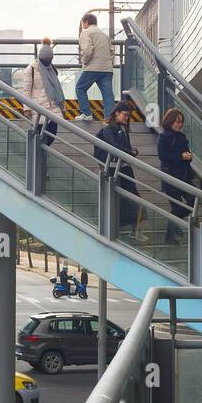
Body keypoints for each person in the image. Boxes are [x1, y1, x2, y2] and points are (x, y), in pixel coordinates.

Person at [96, 101, 141, 239]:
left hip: (123, 167)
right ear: (116, 112)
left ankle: (133, 229)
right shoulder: (109, 128)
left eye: (128, 115)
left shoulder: (123, 129)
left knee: (133, 197)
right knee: (119, 198)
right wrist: (130, 152)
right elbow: (113, 146)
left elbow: (122, 147)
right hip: (113, 168)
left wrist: (131, 151)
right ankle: (118, 228)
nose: (127, 117)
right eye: (125, 114)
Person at [157, 108, 195, 244]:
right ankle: (170, 236)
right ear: (170, 121)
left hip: (185, 176)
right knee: (177, 207)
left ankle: (174, 224)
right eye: (177, 122)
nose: (179, 124)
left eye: (181, 122)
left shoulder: (181, 137)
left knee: (193, 201)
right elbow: (162, 156)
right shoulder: (163, 136)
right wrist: (181, 156)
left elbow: (187, 154)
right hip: (170, 178)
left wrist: (188, 156)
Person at [19, 39, 66, 146]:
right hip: (38, 108)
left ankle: (41, 156)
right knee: (39, 137)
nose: (48, 61)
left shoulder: (52, 69)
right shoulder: (30, 70)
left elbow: (57, 89)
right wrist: (27, 108)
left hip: (53, 107)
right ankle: (36, 158)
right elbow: (26, 90)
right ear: (40, 58)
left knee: (52, 134)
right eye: (46, 59)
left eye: (50, 59)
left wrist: (62, 107)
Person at [75, 13, 114, 122]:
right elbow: (112, 52)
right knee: (108, 95)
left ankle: (86, 114)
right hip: (107, 69)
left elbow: (87, 50)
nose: (82, 25)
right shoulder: (104, 35)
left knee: (80, 88)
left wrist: (85, 61)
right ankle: (109, 119)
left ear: (86, 22)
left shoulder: (86, 32)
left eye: (83, 23)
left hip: (92, 67)